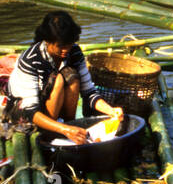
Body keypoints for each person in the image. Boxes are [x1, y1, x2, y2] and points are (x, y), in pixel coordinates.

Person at [8, 11, 122, 145]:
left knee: (71, 76)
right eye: (61, 46)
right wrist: (64, 129)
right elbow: (30, 112)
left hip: (53, 109)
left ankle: (70, 125)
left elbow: (89, 92)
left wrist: (111, 110)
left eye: (69, 44)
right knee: (59, 80)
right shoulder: (30, 60)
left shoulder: (74, 52)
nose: (66, 50)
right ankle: (53, 133)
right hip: (24, 113)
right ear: (48, 41)